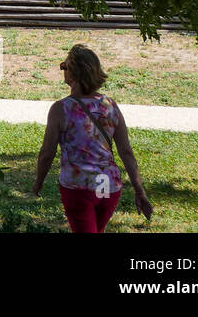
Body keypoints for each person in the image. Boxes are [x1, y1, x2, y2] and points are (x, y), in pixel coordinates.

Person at [32, 43, 154, 232]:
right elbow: (126, 152)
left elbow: (47, 152)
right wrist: (140, 191)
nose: (63, 71)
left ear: (73, 73)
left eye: (65, 67)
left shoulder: (61, 109)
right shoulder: (110, 105)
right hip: (108, 186)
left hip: (78, 188)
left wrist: (39, 181)